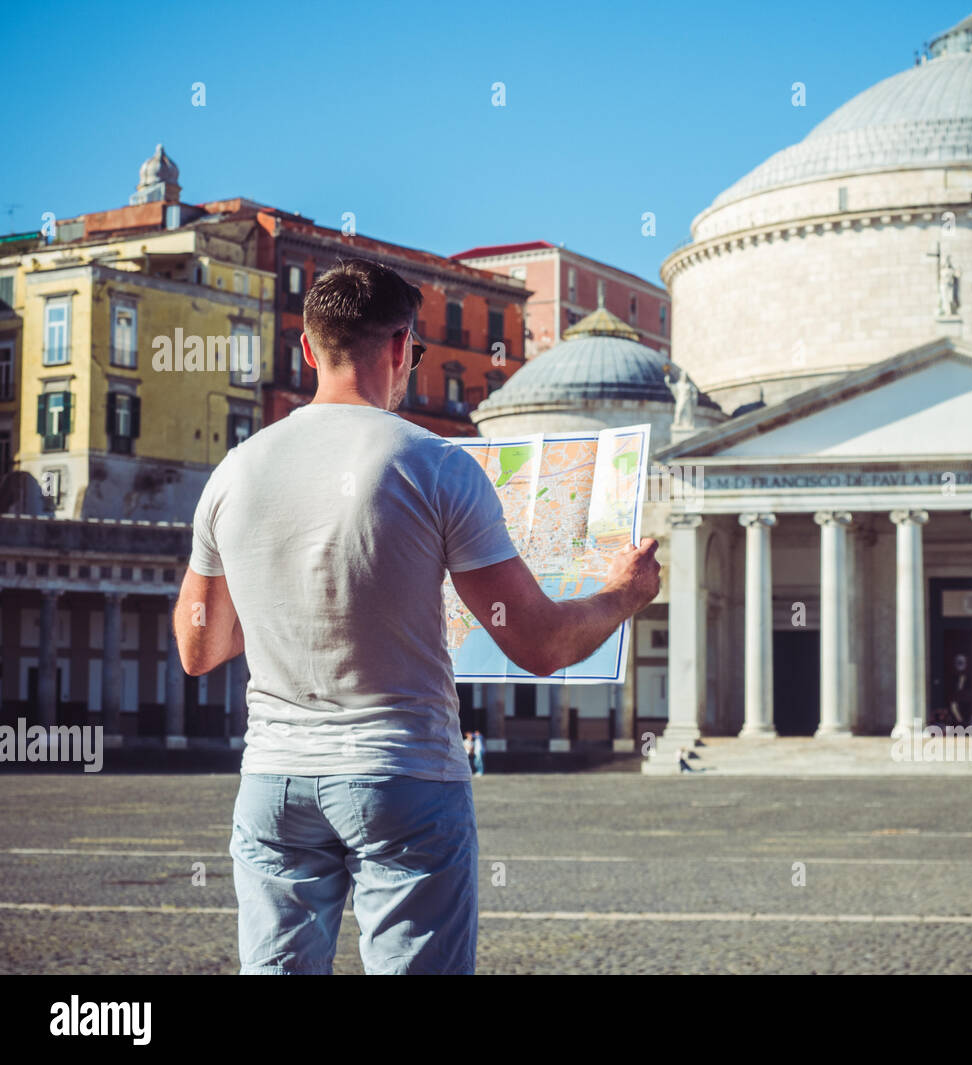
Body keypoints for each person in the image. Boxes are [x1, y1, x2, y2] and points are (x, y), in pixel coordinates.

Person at [173, 257, 660, 975]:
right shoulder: (435, 465)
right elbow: (541, 644)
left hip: (274, 780)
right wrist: (624, 593)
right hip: (401, 776)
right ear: (402, 348)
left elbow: (197, 644)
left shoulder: (234, 472)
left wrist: (287, 579)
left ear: (309, 349)